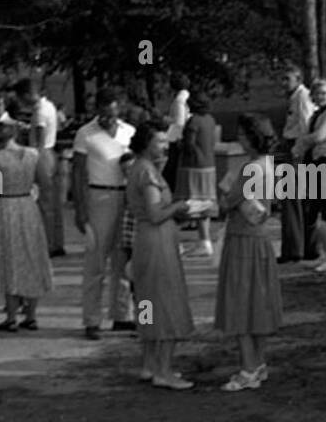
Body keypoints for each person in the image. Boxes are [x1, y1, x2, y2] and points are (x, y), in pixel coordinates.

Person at [214, 113, 283, 391]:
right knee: (258, 303)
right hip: (260, 240)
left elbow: (228, 201)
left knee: (240, 304)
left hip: (243, 239)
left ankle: (248, 367)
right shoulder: (269, 164)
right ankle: (259, 361)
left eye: (243, 134)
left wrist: (225, 194)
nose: (239, 139)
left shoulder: (250, 168)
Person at [126, 121, 195, 388]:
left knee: (147, 302)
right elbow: (155, 214)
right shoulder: (148, 173)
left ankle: (148, 363)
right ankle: (163, 370)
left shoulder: (138, 168)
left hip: (143, 240)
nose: (165, 146)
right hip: (157, 242)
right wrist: (179, 206)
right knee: (165, 301)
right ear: (146, 143)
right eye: (160, 142)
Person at [72, 89, 136, 340]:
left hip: (125, 195)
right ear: (97, 109)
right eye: (104, 113)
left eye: (113, 112)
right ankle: (92, 319)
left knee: (124, 259)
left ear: (118, 109)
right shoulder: (85, 134)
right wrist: (80, 208)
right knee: (96, 260)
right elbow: (78, 172)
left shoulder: (128, 131)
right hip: (98, 195)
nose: (109, 118)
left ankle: (122, 314)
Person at [0, 117, 54, 331]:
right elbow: (45, 181)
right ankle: (31, 314)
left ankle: (11, 315)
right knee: (31, 256)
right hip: (27, 205)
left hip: (5, 206)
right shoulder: (33, 155)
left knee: (9, 257)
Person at [293, 78, 326, 272]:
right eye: (317, 93)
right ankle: (324, 253)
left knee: (324, 212)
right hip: (315, 162)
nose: (321, 97)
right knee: (315, 211)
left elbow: (320, 136)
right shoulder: (317, 113)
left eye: (324, 93)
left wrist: (301, 142)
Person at [14, 77, 63, 257]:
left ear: (27, 95)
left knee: (45, 202)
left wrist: (33, 160)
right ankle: (56, 241)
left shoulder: (40, 112)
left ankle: (48, 244)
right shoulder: (49, 105)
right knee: (54, 203)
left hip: (42, 155)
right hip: (51, 152)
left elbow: (40, 141)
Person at [277, 64, 316, 263]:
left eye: (288, 79)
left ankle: (294, 249)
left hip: (296, 148)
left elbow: (305, 125)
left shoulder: (302, 97)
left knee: (292, 198)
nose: (284, 83)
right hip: (292, 145)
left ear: (298, 80)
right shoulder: (294, 97)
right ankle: (298, 246)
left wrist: (297, 152)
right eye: (282, 78)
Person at [177, 94, 219, 259]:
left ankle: (176, 241)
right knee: (205, 204)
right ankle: (205, 241)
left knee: (187, 202)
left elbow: (188, 144)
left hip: (192, 166)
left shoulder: (193, 121)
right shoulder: (210, 120)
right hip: (209, 165)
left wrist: (179, 145)